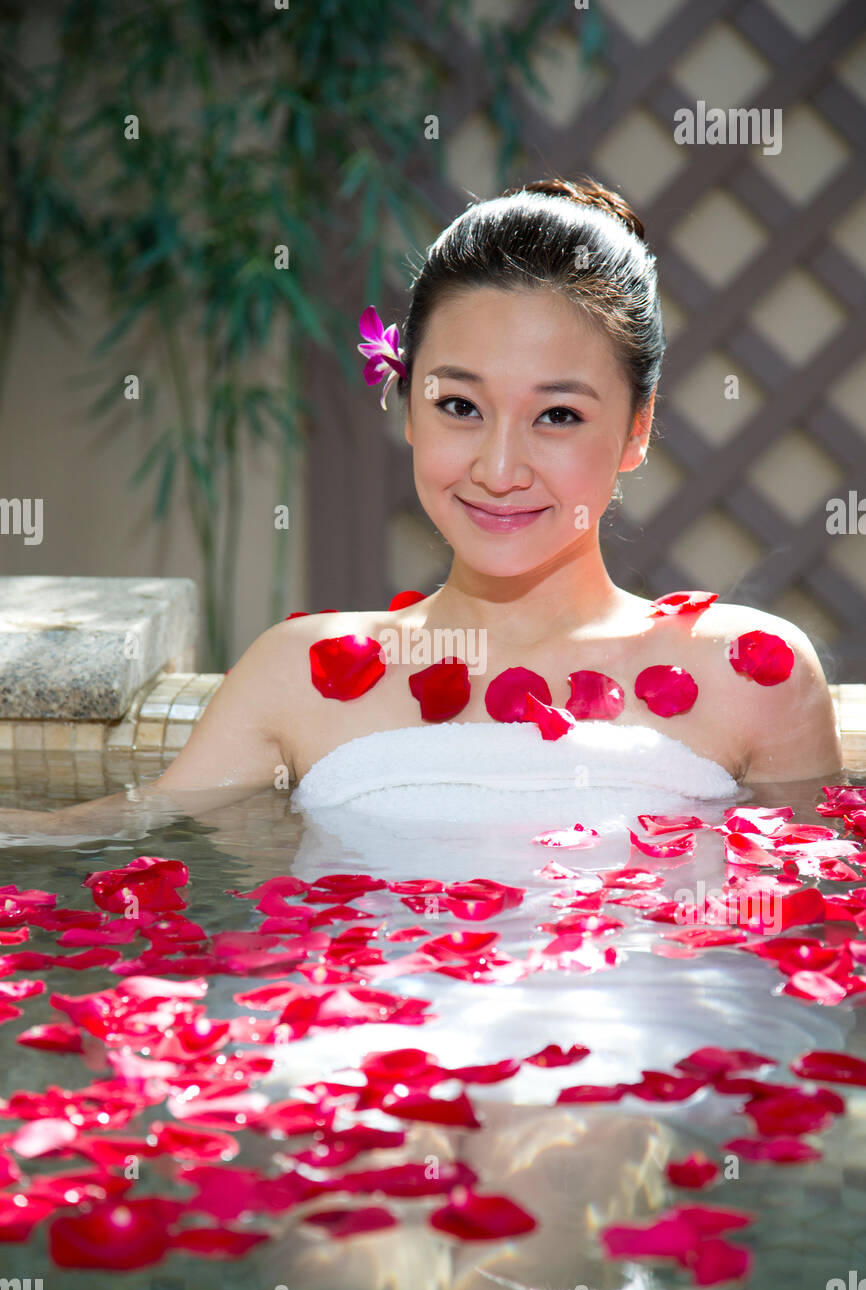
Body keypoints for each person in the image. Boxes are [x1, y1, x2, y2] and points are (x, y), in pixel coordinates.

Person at [1, 175, 843, 841]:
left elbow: (803, 928)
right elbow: (110, 831)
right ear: (407, 406)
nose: (499, 467)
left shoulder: (752, 674)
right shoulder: (296, 672)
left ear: (637, 428)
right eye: (460, 406)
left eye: (558, 415)